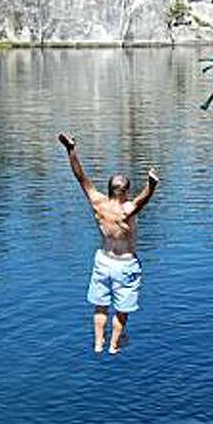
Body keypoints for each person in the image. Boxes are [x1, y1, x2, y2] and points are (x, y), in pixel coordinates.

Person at [58, 133, 160, 354]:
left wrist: (71, 150)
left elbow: (81, 178)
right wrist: (151, 185)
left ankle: (98, 343)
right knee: (122, 310)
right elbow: (143, 201)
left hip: (103, 261)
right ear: (127, 191)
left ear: (109, 188)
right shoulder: (127, 210)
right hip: (124, 264)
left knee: (100, 306)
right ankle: (114, 345)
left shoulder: (98, 203)